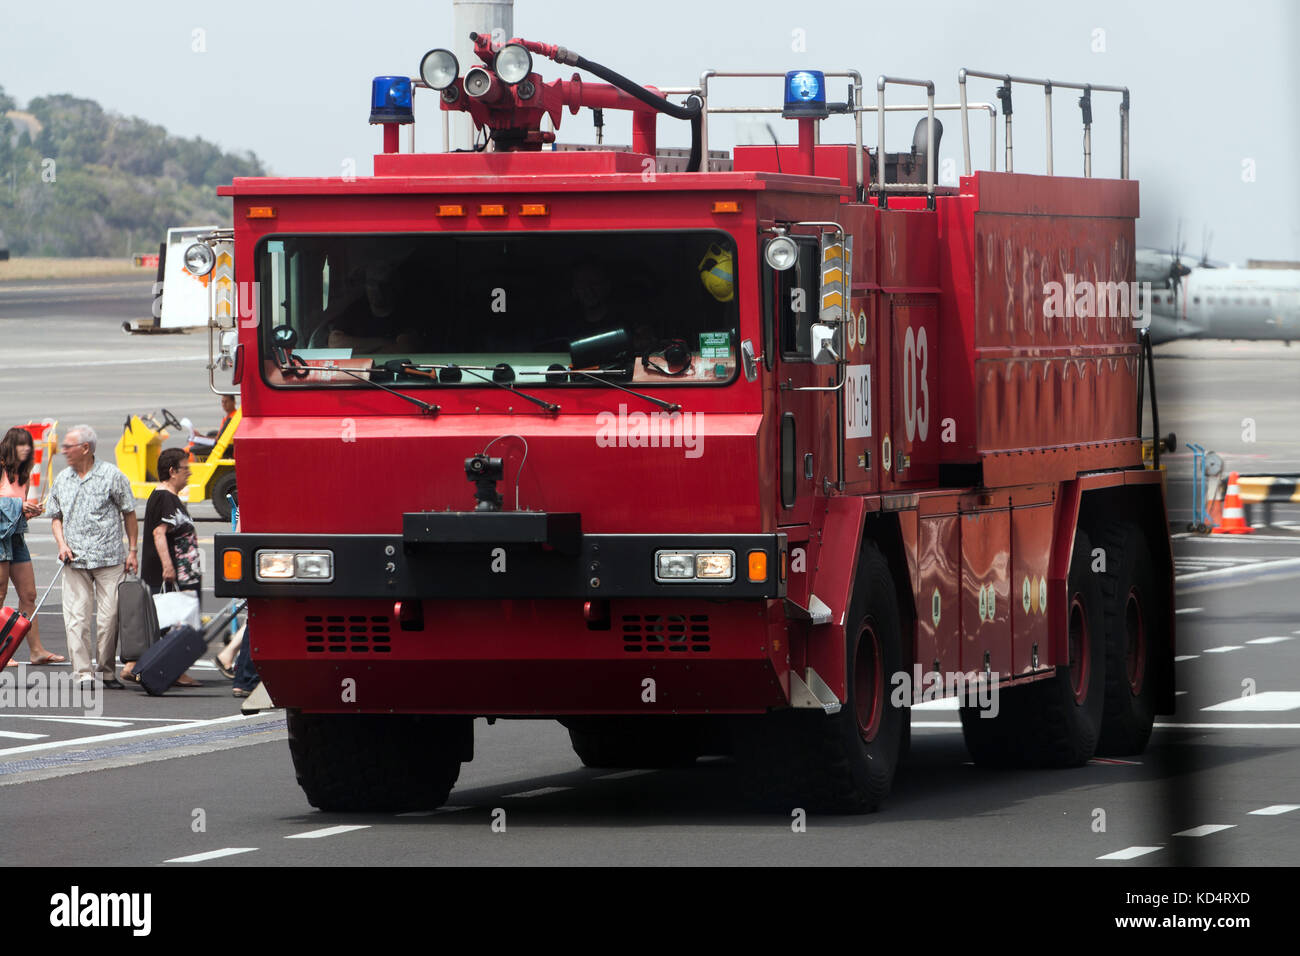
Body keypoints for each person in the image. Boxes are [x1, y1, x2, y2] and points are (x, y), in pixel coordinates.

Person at [47, 425, 138, 688]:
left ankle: (107, 670)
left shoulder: (112, 475)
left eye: (69, 447)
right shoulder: (63, 478)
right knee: (76, 618)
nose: (64, 451)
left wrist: (132, 550)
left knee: (109, 620)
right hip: (74, 560)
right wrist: (62, 544)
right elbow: (56, 517)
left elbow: (129, 513)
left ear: (85, 448)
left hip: (109, 560)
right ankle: (83, 673)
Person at [122, 446, 200, 687]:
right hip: (170, 574)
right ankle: (173, 670)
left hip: (172, 572)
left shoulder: (164, 496)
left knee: (161, 621)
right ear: (172, 471)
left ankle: (135, 665)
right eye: (185, 469)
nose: (189, 473)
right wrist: (168, 566)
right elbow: (159, 533)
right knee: (174, 622)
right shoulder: (166, 497)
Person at [0, 427, 68, 666]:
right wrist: (19, 507)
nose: (27, 449)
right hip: (0, 539)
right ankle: (1, 650)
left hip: (16, 536)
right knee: (0, 594)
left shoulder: (23, 475)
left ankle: (36, 649)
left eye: (29, 444)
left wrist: (29, 512)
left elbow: (14, 511)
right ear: (10, 446)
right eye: (22, 444)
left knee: (29, 594)